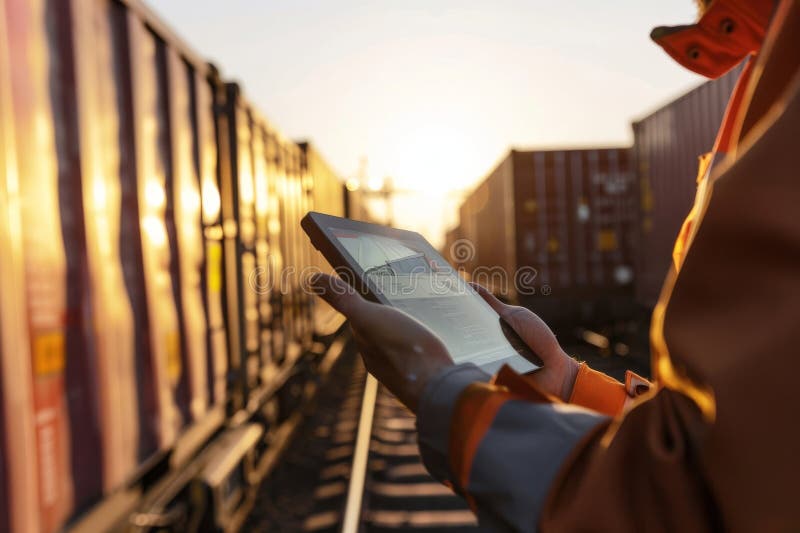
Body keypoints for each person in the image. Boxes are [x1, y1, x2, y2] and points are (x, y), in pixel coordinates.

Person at [311, 0, 800, 530]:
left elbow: (683, 503)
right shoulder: (765, 59)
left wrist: (442, 396)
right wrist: (567, 381)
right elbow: (729, 446)